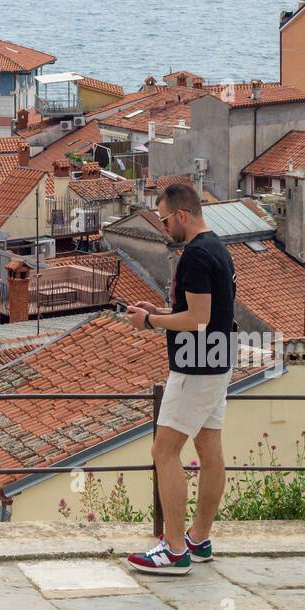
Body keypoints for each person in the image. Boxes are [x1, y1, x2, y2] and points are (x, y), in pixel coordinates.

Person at [124, 182, 237, 575]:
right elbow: (204, 312)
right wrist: (159, 311)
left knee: (164, 452)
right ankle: (198, 539)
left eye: (164, 219)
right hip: (218, 361)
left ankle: (174, 550)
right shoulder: (217, 248)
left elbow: (198, 320)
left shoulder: (194, 256)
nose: (163, 226)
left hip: (195, 367)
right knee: (209, 448)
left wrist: (150, 322)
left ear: (182, 215)